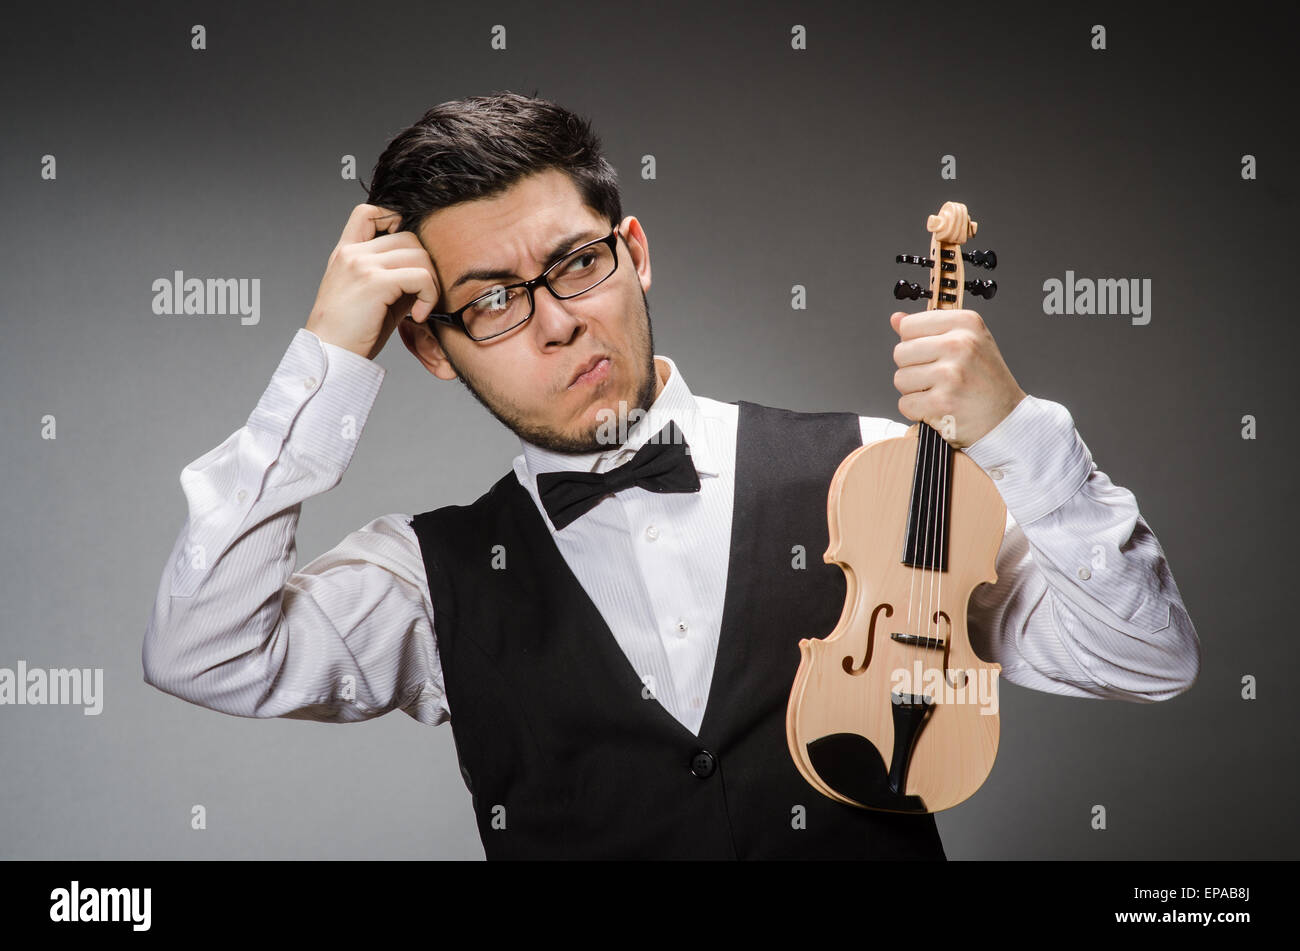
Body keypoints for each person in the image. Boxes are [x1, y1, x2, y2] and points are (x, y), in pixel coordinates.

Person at [142, 91, 1201, 860]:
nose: (558, 322)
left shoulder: (879, 474)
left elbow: (1144, 659)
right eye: (494, 302)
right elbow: (202, 651)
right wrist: (326, 355)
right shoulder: (422, 579)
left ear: (634, 253)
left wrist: (1021, 434)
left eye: (575, 263)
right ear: (429, 347)